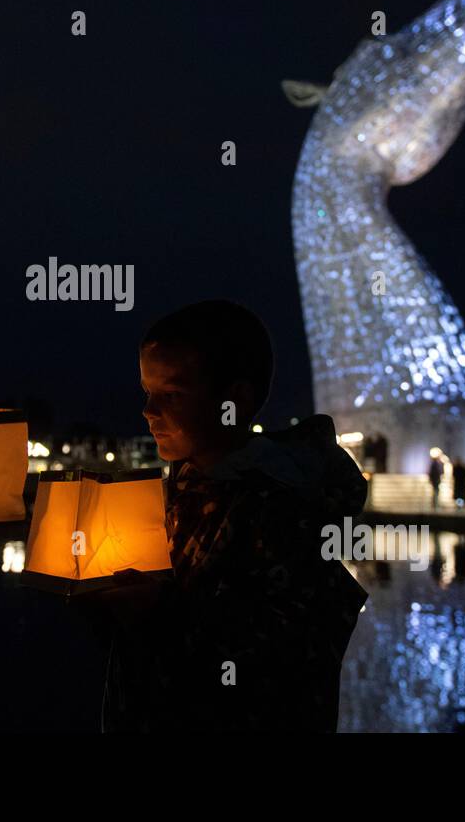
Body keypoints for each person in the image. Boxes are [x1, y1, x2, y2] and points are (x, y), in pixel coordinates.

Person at [97, 300, 368, 732]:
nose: (149, 411)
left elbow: (288, 665)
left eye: (172, 394)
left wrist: (158, 613)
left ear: (234, 400)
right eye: (147, 392)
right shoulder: (182, 490)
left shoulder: (286, 513)